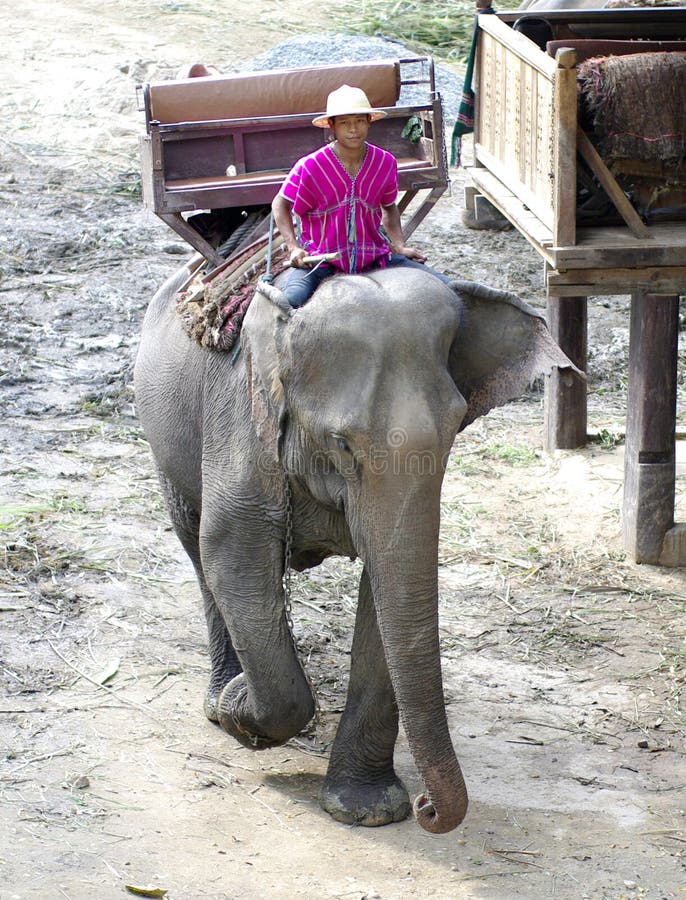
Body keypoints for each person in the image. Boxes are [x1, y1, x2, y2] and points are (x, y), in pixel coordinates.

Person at [271, 84, 451, 308]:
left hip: (374, 257)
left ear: (369, 121)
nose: (353, 129)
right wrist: (293, 246)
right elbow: (280, 203)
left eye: (359, 121)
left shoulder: (385, 162)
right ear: (331, 125)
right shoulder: (310, 166)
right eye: (345, 122)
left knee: (445, 287)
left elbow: (389, 207)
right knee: (289, 302)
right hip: (320, 260)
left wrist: (399, 244)